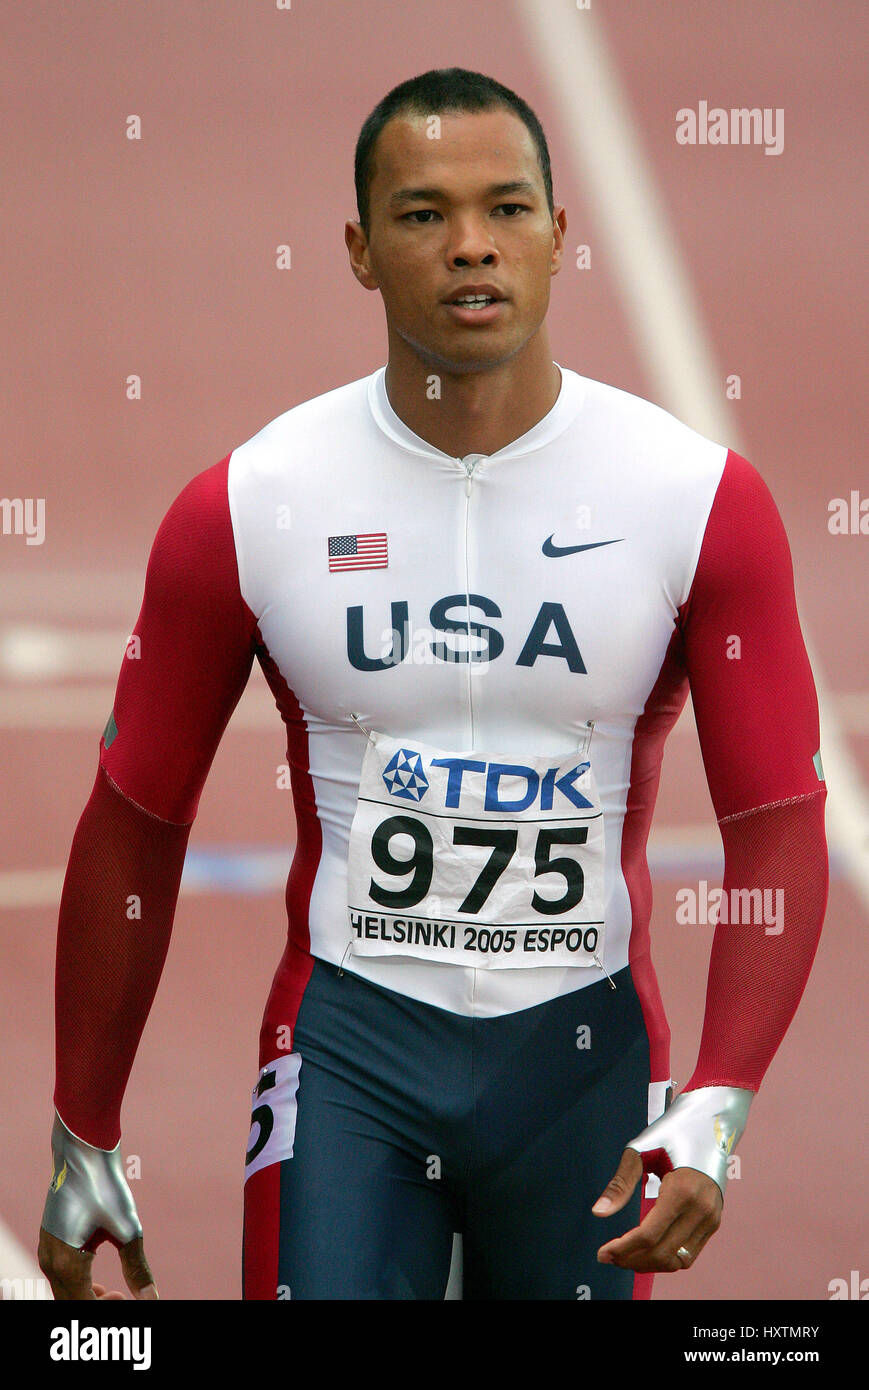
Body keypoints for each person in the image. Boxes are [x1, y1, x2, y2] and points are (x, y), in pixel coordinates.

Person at [38, 67, 828, 1301]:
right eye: (421, 215)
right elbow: (136, 822)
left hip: (581, 1055)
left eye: (508, 209)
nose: (472, 247)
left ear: (562, 236)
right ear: (357, 249)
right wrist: (83, 1119)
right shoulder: (248, 507)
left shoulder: (694, 503)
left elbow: (774, 824)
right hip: (348, 1053)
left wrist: (719, 1101)